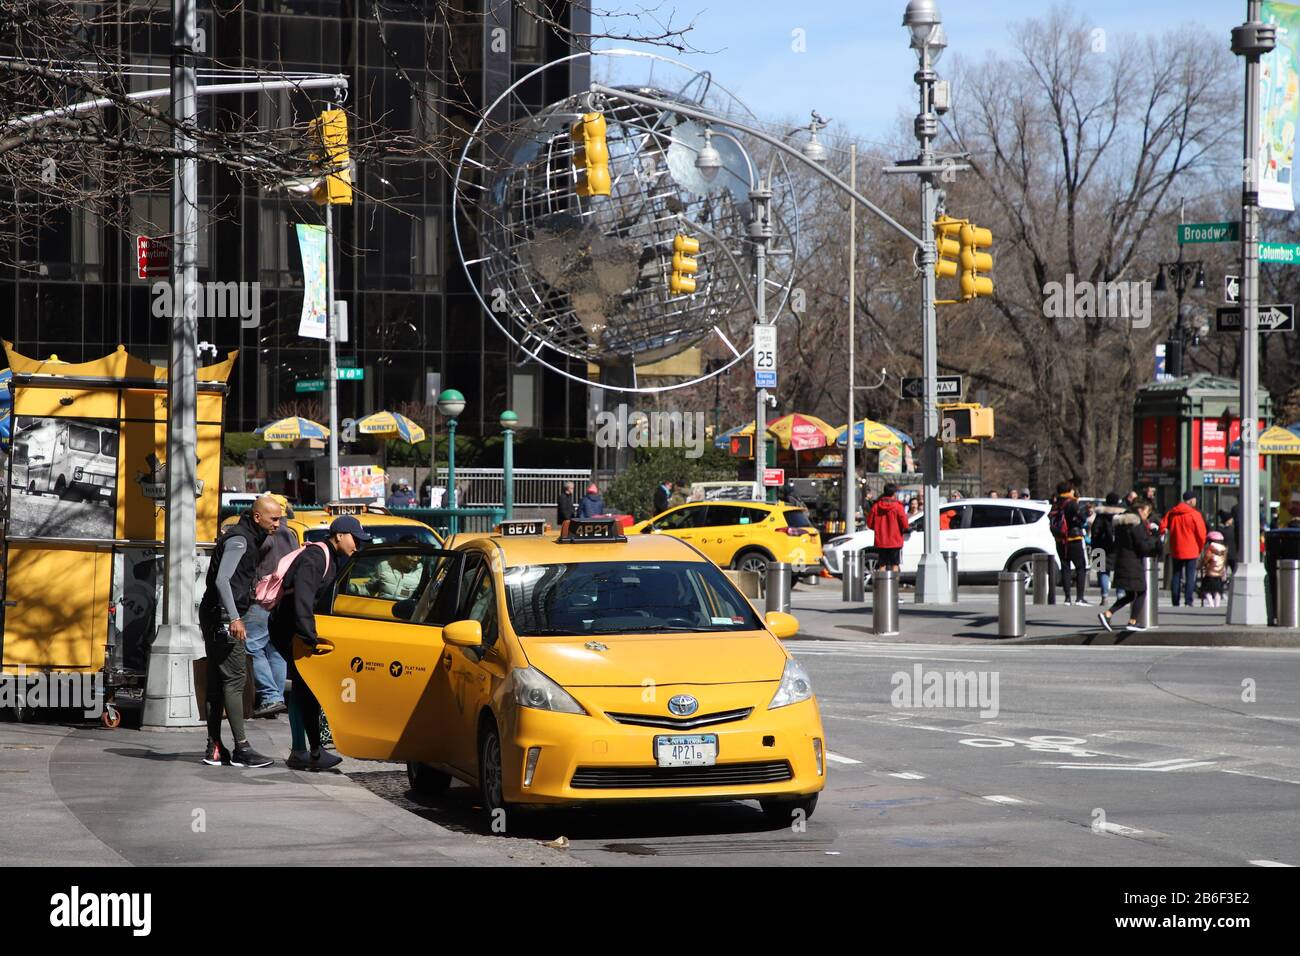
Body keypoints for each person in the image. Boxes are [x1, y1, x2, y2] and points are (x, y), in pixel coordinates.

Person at [270, 514, 371, 771]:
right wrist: (310, 638)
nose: (357, 545)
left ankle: (303, 751)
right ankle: (312, 752)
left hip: (295, 627)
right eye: (354, 539)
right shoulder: (316, 558)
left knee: (302, 687)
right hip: (290, 628)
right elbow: (302, 599)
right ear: (339, 536)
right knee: (308, 688)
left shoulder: (333, 558)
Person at [198, 495, 282, 768]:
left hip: (215, 615)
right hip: (223, 618)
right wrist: (234, 617)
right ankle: (242, 749)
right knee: (234, 679)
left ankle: (215, 748)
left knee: (217, 683)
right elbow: (222, 579)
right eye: (274, 519)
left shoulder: (245, 536)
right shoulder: (240, 539)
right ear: (257, 517)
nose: (278, 525)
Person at [247, 494, 297, 719]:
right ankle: (274, 699)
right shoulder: (291, 534)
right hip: (283, 599)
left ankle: (271, 697)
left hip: (262, 598)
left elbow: (255, 567)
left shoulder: (266, 535)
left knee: (251, 646)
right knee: (274, 649)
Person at [1098, 498, 1159, 632]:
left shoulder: (1121, 523)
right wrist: (1154, 538)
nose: (1147, 515)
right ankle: (1132, 622)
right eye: (1147, 511)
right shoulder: (1136, 524)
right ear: (1140, 510)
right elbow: (1142, 546)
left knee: (1131, 594)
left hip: (1122, 560)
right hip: (1132, 562)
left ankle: (1107, 615)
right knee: (1142, 591)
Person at [1160, 490, 1207, 607]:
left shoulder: (1173, 513)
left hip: (1176, 548)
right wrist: (1200, 547)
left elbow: (1162, 526)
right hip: (1191, 549)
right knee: (1190, 576)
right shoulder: (1195, 514)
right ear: (1191, 500)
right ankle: (1188, 600)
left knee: (1176, 575)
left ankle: (1175, 601)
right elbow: (1201, 534)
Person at [1050, 481, 1089, 605]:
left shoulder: (1056, 503)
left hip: (1060, 540)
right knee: (1080, 567)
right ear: (1069, 490)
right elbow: (1082, 519)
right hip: (1073, 539)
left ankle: (1067, 598)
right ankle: (1079, 598)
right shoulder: (1072, 503)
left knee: (1065, 567)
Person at [866, 483, 909, 573]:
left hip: (881, 540)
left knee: (882, 565)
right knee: (895, 565)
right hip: (895, 541)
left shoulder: (876, 506)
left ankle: (882, 586)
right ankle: (894, 585)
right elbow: (905, 524)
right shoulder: (898, 507)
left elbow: (869, 524)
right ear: (894, 494)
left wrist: (878, 528)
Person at [1090, 492, 1124, 604]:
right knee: (1120, 571)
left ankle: (1104, 596)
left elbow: (1094, 531)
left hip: (1101, 546)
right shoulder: (1122, 515)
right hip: (1119, 546)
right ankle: (1120, 595)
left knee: (1103, 571)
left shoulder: (1100, 515)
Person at [1199, 531, 1229, 607]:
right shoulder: (1224, 550)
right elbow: (1224, 562)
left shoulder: (1210, 549)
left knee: (1206, 590)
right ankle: (1217, 605)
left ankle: (1211, 603)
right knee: (1218, 591)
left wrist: (1202, 565)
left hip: (1210, 573)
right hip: (1219, 573)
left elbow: (1206, 559)